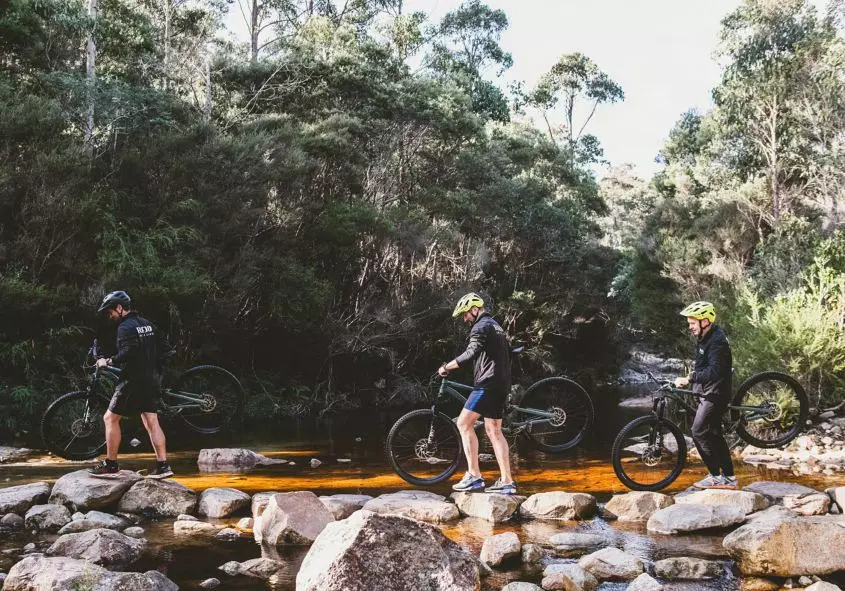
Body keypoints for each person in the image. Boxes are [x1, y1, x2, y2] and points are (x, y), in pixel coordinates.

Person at [89, 291, 173, 479]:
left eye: (110, 311)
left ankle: (111, 464)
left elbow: (130, 351)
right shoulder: (147, 324)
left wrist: (109, 361)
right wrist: (157, 371)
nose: (109, 315)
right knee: (151, 420)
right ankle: (163, 466)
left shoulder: (125, 327)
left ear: (120, 308)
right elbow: (165, 348)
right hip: (151, 378)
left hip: (132, 379)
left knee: (110, 419)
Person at [438, 292, 516, 494]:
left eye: (465, 314)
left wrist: (448, 366)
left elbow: (471, 352)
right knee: (493, 430)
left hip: (488, 383)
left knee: (463, 423)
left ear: (475, 309)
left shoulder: (480, 327)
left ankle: (474, 476)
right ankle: (507, 482)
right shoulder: (496, 326)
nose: (465, 319)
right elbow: (508, 351)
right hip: (500, 383)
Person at [674, 301, 736, 489]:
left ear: (705, 321)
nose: (690, 327)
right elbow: (704, 366)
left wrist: (690, 378)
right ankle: (730, 479)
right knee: (715, 434)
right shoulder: (705, 336)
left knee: (698, 431)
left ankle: (716, 477)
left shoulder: (717, 341)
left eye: (693, 323)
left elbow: (715, 371)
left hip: (716, 393)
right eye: (690, 323)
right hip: (707, 391)